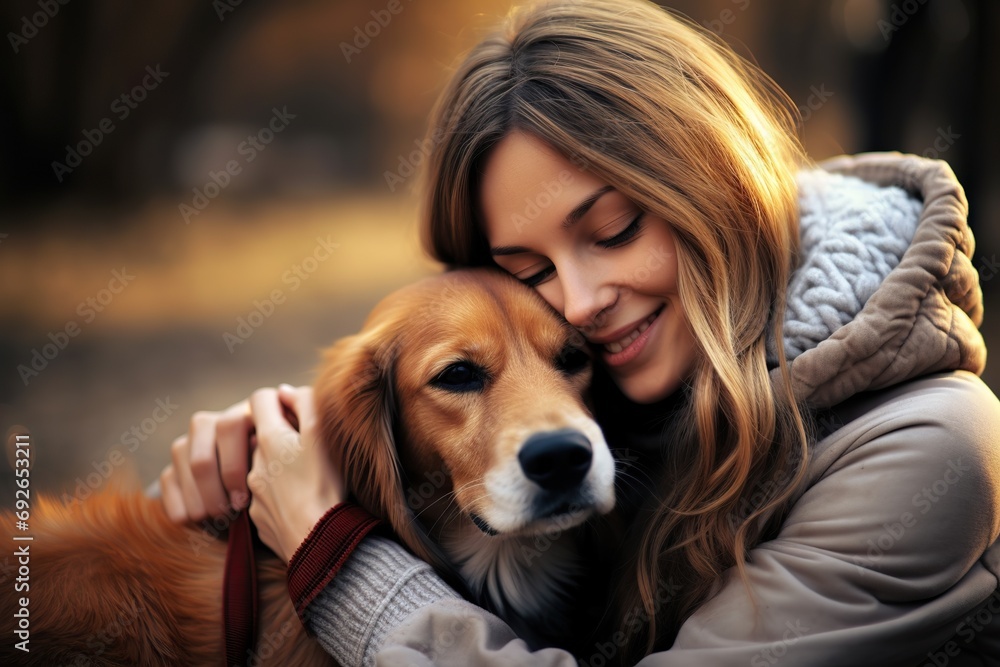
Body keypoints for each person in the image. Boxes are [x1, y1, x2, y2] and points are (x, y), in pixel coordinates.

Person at [158, 0, 1000, 664]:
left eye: (617, 228)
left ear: (717, 183)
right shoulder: (631, 371)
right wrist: (272, 442)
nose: (583, 303)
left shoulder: (927, 448)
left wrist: (334, 558)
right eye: (528, 268)